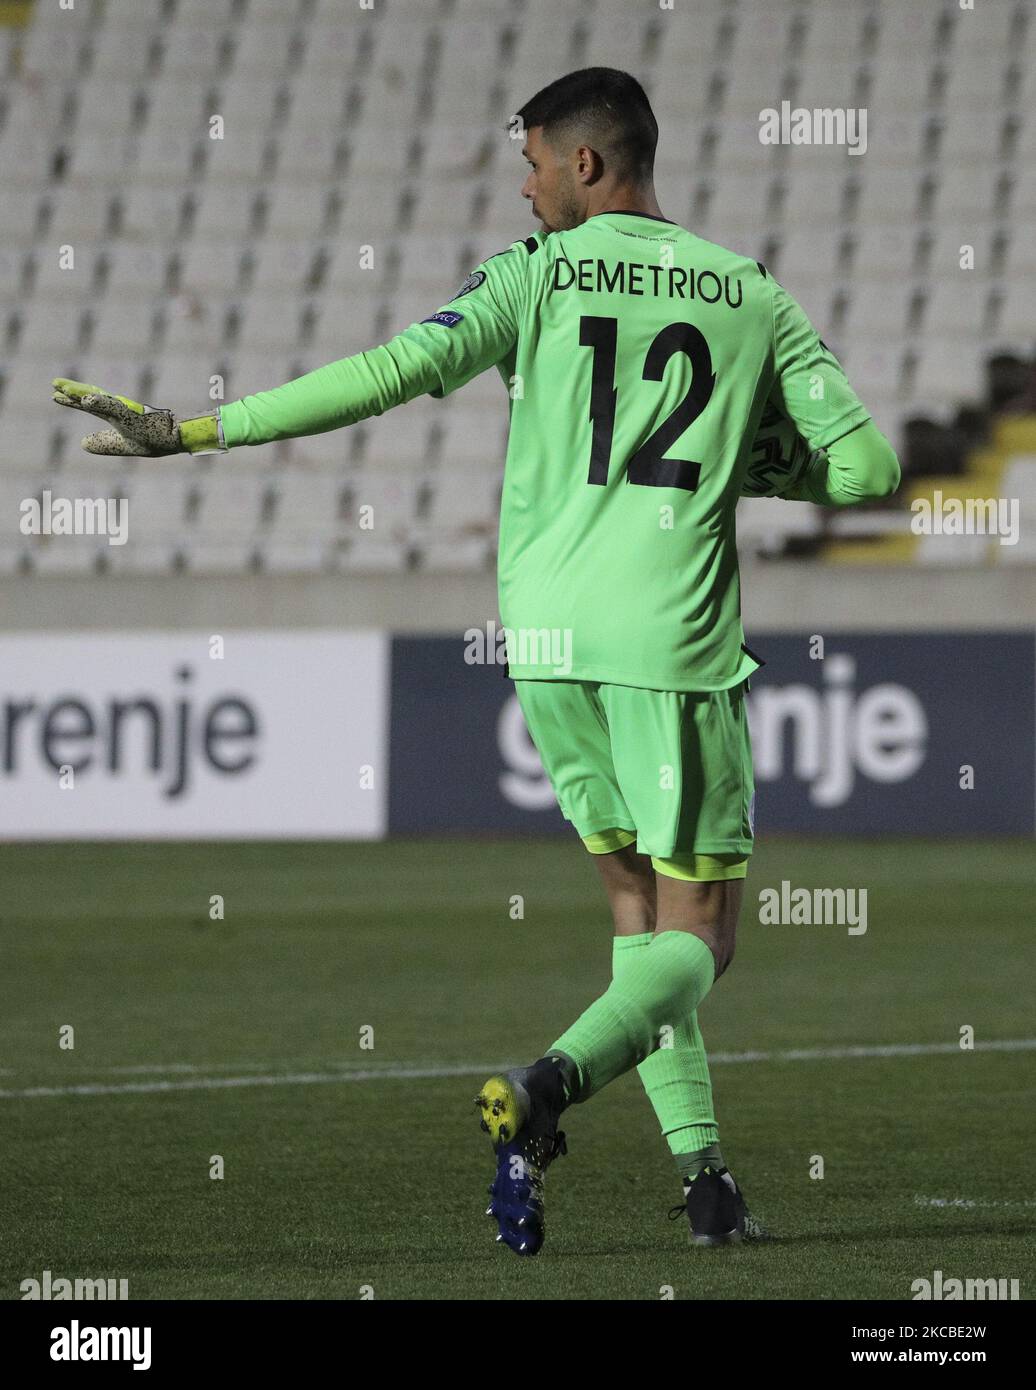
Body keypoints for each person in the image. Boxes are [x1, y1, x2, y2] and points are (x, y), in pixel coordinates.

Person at [52, 67, 900, 1257]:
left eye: (537, 160)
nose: (525, 181)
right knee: (699, 941)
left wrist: (194, 430)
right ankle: (550, 1082)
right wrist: (746, 466)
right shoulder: (748, 292)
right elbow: (867, 475)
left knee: (636, 922)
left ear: (589, 166)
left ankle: (707, 1183)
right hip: (671, 641)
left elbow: (385, 373)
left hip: (544, 641)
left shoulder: (533, 276)